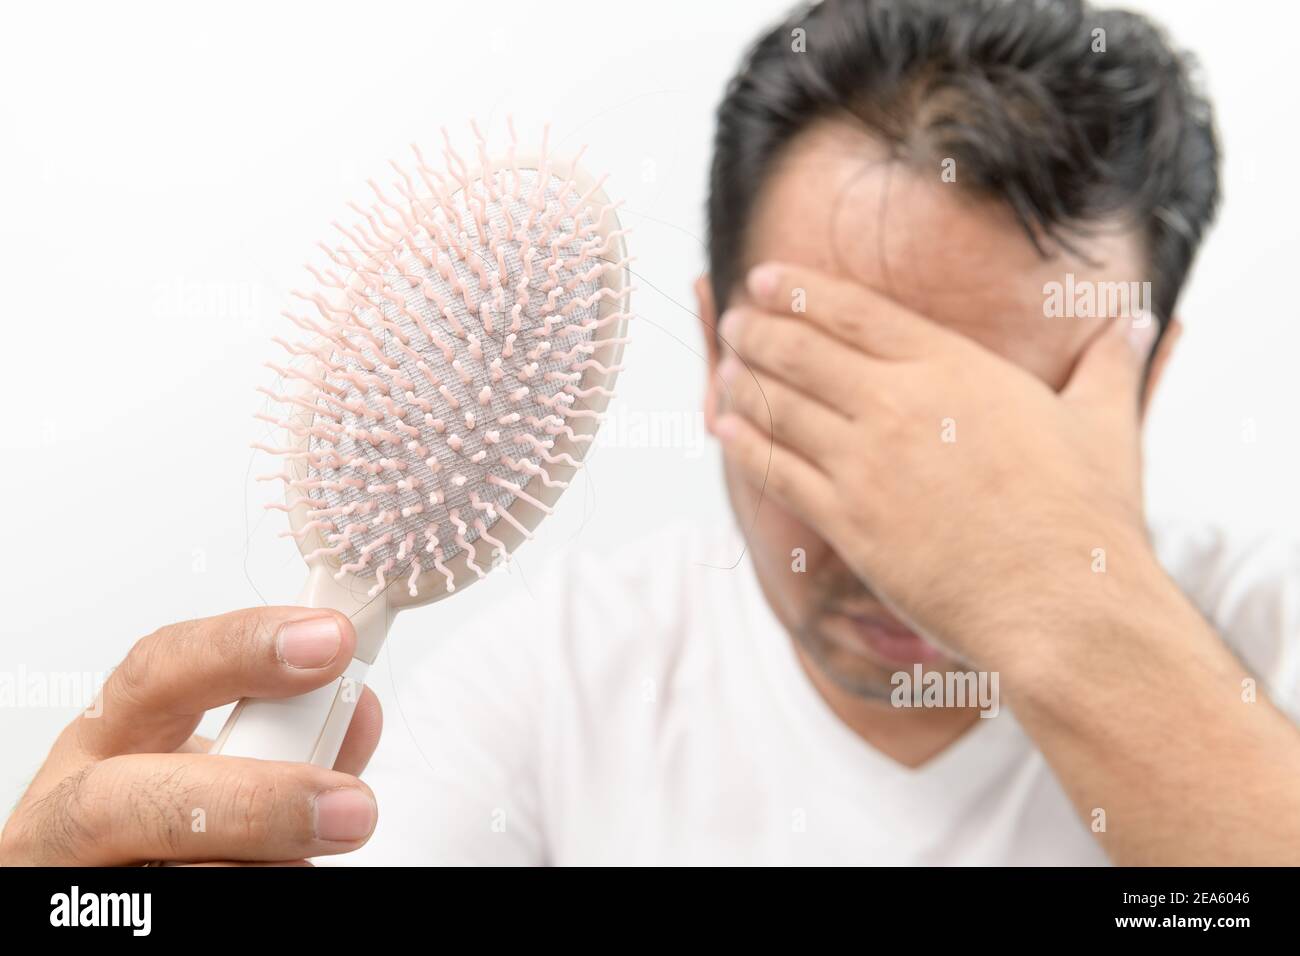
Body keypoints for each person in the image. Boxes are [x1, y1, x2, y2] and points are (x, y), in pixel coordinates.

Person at [5, 0, 1298, 866]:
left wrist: (1058, 606)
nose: (910, 540)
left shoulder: (1269, 632)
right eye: (825, 399)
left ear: (1147, 383)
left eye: (997, 434)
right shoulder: (556, 693)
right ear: (714, 355)